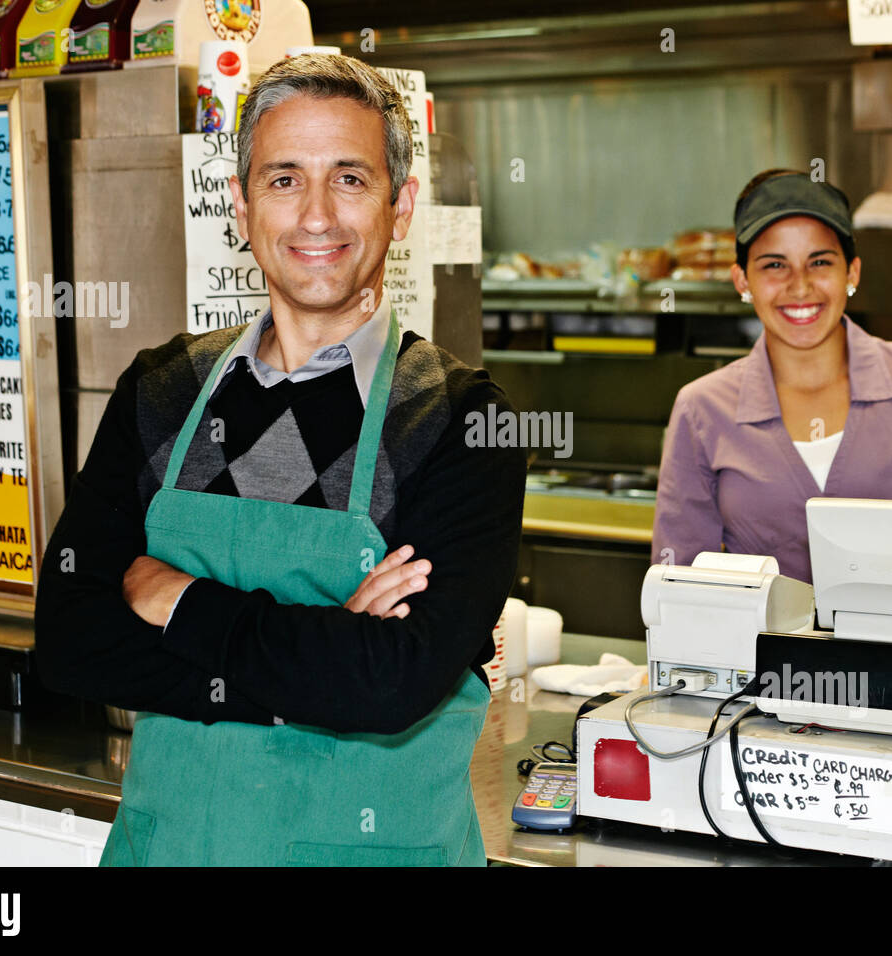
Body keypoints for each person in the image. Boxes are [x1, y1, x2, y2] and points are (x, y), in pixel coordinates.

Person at [35, 54, 526, 866]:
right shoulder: (161, 391)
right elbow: (71, 641)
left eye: (351, 179)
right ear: (241, 202)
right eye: (285, 179)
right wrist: (326, 651)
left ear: (401, 207)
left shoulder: (459, 419)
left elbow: (394, 684)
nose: (317, 217)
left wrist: (181, 602)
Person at [652, 169, 892, 626]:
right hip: (760, 689)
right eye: (774, 265)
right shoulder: (702, 408)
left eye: (820, 262)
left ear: (852, 272)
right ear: (742, 280)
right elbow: (678, 582)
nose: (799, 285)